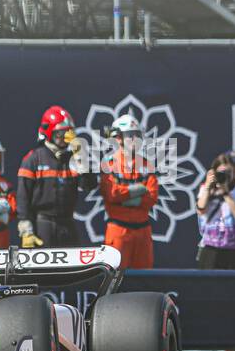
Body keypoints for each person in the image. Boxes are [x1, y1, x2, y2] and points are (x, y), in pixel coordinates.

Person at [16, 105, 95, 247]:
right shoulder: (34, 158)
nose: (63, 138)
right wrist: (26, 229)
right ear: (48, 133)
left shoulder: (74, 158)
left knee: (73, 267)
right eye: (59, 133)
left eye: (67, 134)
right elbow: (23, 197)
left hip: (68, 224)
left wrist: (81, 156)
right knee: (44, 269)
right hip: (42, 225)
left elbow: (89, 185)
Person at [98, 114, 160, 269]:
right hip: (118, 231)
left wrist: (124, 198)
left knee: (144, 280)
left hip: (143, 232)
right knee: (115, 278)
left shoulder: (147, 164)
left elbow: (152, 197)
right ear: (118, 138)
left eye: (137, 135)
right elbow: (112, 194)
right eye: (130, 136)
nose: (135, 139)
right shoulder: (109, 164)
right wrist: (139, 189)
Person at [196, 151, 235, 268]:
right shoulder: (206, 189)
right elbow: (200, 210)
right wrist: (208, 185)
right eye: (220, 173)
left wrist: (225, 191)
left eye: (228, 172)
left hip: (233, 248)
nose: (224, 176)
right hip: (210, 247)